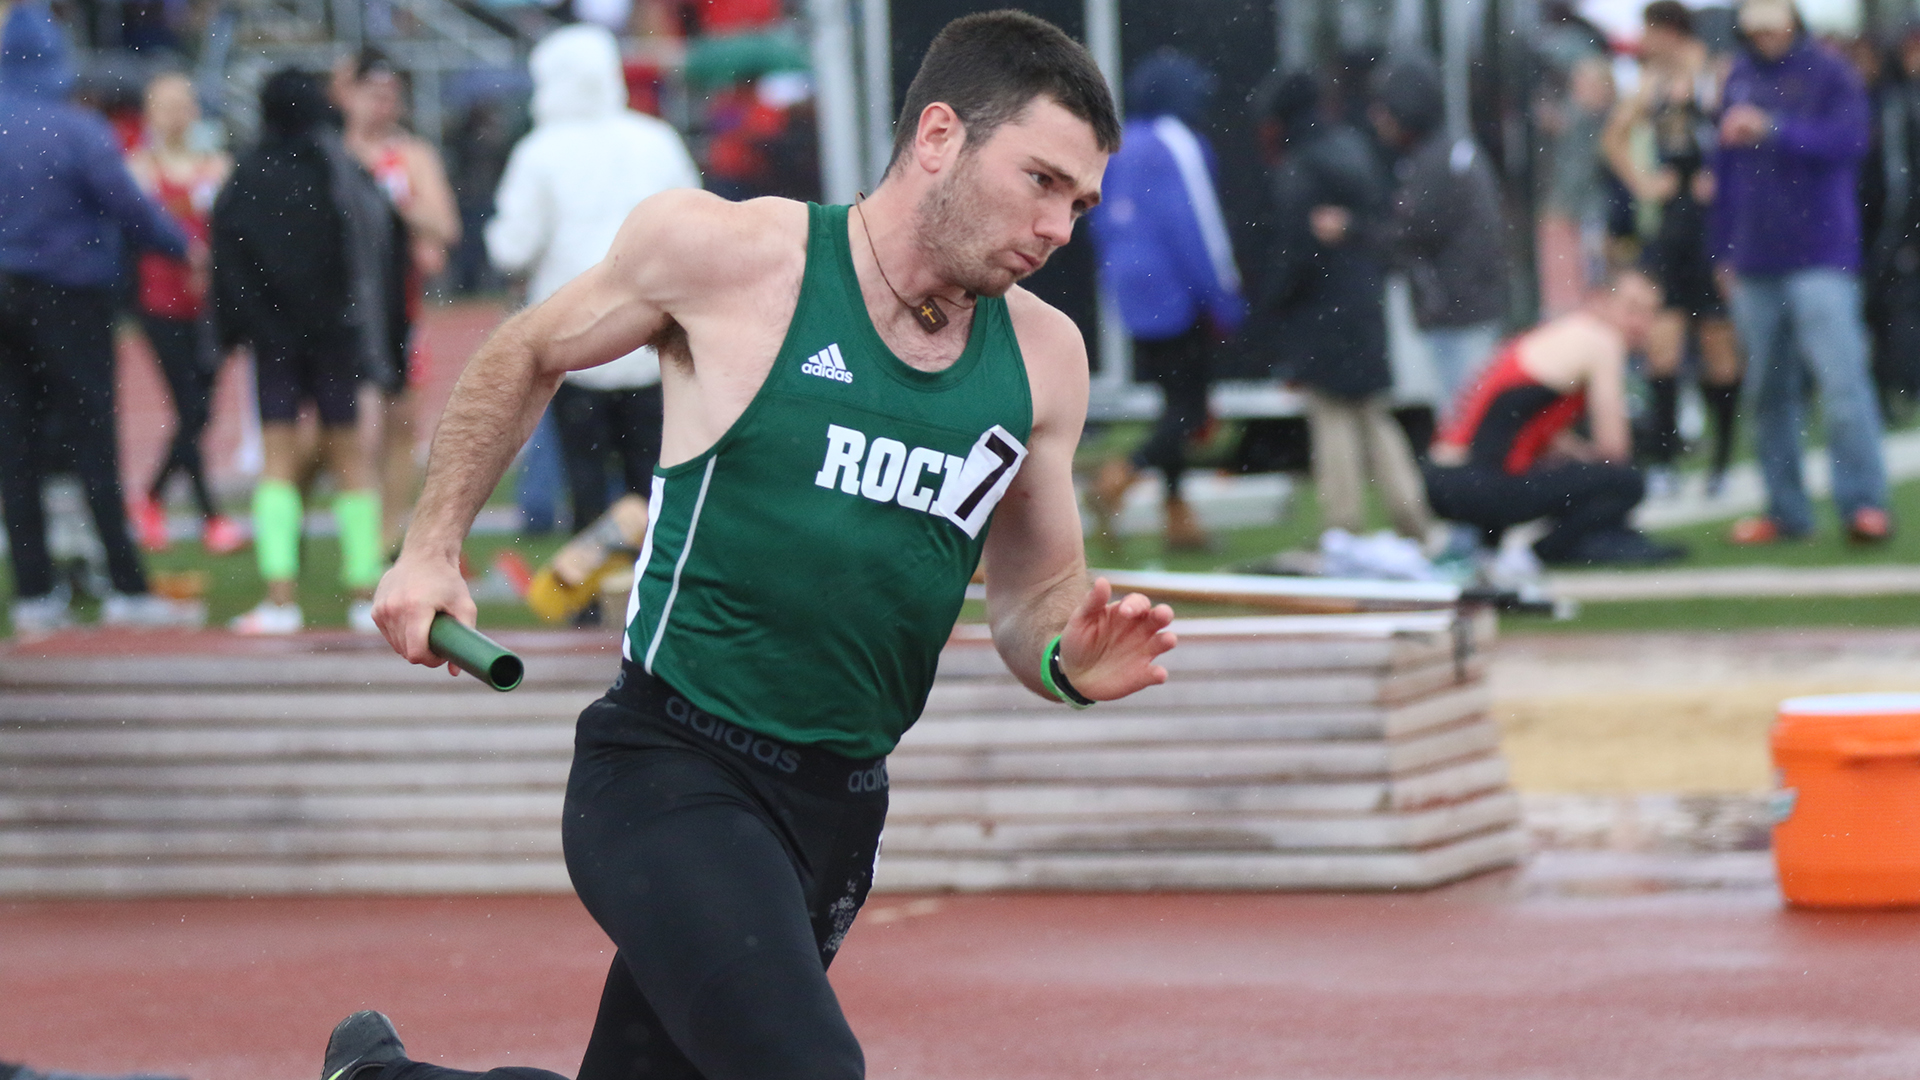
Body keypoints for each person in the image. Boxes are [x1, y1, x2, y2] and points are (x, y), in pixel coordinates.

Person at [333, 12, 1174, 1080]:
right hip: (670, 770)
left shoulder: (1045, 357)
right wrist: (430, 546)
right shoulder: (734, 257)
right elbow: (529, 348)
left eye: (1081, 202)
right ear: (938, 137)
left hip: (838, 812)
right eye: (1042, 181)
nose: (1060, 227)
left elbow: (1035, 595)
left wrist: (1066, 656)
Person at [0, 1, 202, 635]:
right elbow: (127, 206)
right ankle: (124, 583)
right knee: (92, 440)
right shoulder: (77, 128)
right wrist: (183, 247)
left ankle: (34, 593)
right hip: (71, 298)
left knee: (15, 446)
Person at [485, 23, 701, 534]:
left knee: (583, 482)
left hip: (574, 341)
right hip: (651, 339)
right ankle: (649, 592)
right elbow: (697, 225)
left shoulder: (539, 152)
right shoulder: (655, 139)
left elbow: (511, 248)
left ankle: (585, 599)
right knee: (653, 482)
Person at [212, 69, 402, 633]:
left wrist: (242, 328)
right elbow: (373, 255)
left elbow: (228, 262)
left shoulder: (245, 176)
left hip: (274, 341)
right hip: (335, 336)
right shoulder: (337, 171)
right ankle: (364, 592)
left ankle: (279, 600)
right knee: (351, 459)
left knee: (275, 461)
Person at [1715, 0, 1891, 544]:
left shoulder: (1830, 72)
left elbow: (1852, 142)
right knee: (1768, 392)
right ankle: (1786, 511)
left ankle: (1864, 504)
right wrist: (1721, 248)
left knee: (1841, 385)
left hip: (1821, 254)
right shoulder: (1738, 75)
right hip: (1755, 258)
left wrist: (1775, 129)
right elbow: (1723, 168)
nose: (1765, 30)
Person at [1253, 70, 1430, 543]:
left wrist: (1273, 301)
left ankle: (1342, 526)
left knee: (1331, 418)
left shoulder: (1301, 163)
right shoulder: (1355, 148)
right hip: (1363, 303)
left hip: (1320, 311)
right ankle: (1413, 518)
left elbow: (1295, 249)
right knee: (1375, 414)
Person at [1087, 49, 1246, 553]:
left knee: (1170, 405)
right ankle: (1120, 476)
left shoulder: (1119, 146)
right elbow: (1198, 225)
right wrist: (1223, 296)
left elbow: (1098, 217)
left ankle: (1178, 518)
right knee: (1190, 410)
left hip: (1133, 292)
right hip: (1178, 290)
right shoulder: (1177, 141)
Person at [1425, 268, 1684, 568]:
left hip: (1447, 480)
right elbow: (1614, 449)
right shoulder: (1600, 340)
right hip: (1474, 484)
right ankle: (1541, 552)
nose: (1640, 324)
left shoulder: (1560, 333)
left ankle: (1517, 548)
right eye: (1632, 309)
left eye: (1650, 313)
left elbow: (1528, 424)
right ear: (1599, 302)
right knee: (1625, 482)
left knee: (1591, 474)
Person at [1604, 0, 1743, 498]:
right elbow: (1614, 137)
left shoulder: (1716, 72)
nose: (1642, 45)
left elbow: (1738, 134)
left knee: (1717, 347)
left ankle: (1721, 461)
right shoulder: (1651, 85)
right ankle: (1663, 459)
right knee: (1661, 344)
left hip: (1714, 224)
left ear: (1669, 30)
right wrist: (1642, 183)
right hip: (1672, 225)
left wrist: (1722, 178)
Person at [338, 48, 462, 552]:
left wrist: (394, 204)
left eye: (391, 95)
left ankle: (390, 533)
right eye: (371, 93)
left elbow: (445, 226)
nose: (381, 104)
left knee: (400, 423)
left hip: (399, 308)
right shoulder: (333, 153)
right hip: (341, 309)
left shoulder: (411, 156)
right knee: (352, 433)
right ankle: (360, 533)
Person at [125, 71, 245, 555]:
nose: (176, 114)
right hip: (159, 303)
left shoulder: (217, 167)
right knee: (190, 407)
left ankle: (151, 498)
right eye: (166, 105)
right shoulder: (137, 169)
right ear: (151, 113)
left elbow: (235, 232)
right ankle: (209, 515)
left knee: (201, 410)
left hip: (209, 307)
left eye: (183, 104)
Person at [1371, 57, 1511, 408]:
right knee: (1468, 413)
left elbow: (1410, 232)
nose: (1378, 118)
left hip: (1458, 311)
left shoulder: (1437, 162)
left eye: (1385, 108)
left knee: (1464, 418)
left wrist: (1350, 229)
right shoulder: (1449, 152)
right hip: (1468, 305)